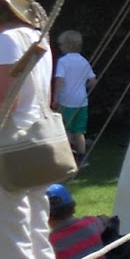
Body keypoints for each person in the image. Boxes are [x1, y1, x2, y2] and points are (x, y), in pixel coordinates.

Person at [0, 0, 70, 259]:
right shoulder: (32, 37)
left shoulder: (6, 40)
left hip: (9, 151)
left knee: (15, 245)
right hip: (34, 148)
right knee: (36, 240)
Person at [46, 183, 113, 259]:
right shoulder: (91, 224)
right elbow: (105, 219)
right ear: (73, 206)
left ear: (45, 215)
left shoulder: (50, 244)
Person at [51, 29, 96, 164]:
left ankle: (69, 156)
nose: (60, 47)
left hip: (67, 100)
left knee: (67, 129)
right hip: (82, 101)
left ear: (67, 45)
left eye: (61, 45)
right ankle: (82, 158)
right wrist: (83, 89)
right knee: (79, 131)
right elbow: (93, 81)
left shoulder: (63, 61)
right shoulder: (83, 61)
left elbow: (60, 80)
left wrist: (55, 98)